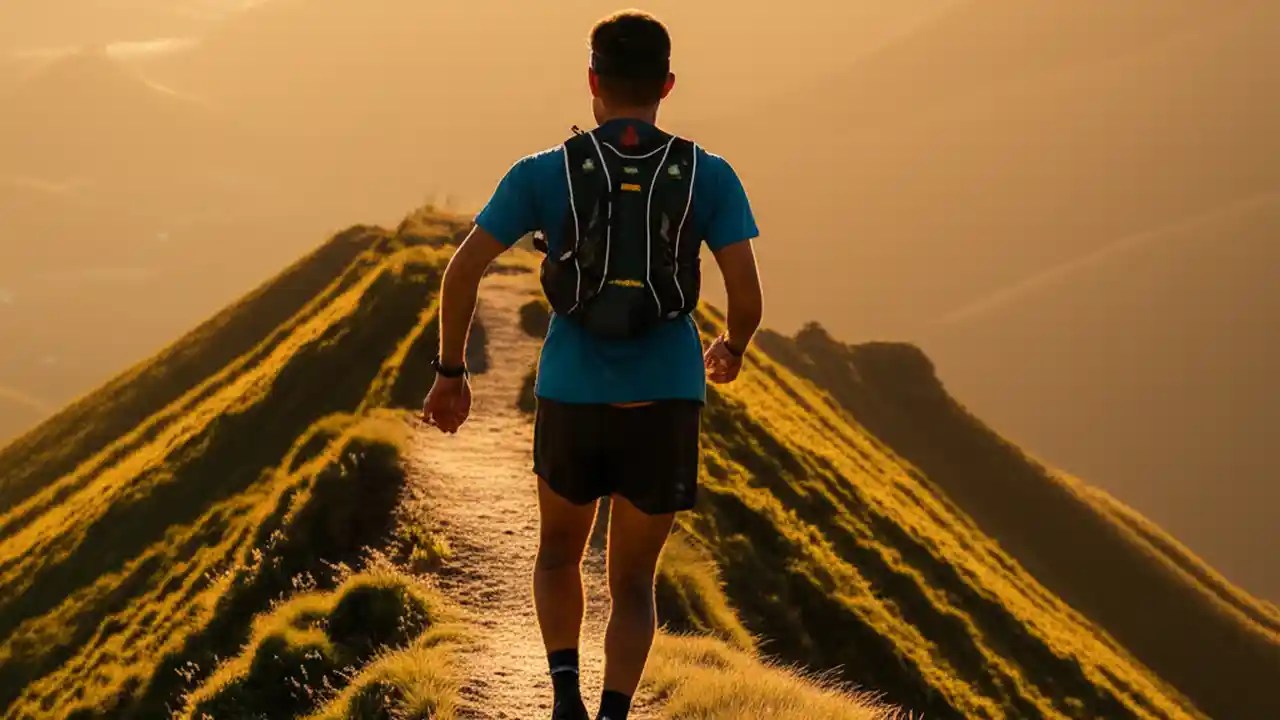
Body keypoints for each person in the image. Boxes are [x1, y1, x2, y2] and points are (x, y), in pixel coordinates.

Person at [422, 10, 762, 720]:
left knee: (557, 557)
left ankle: (566, 698)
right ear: (667, 84)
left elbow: (462, 273)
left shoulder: (543, 173)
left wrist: (451, 373)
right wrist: (729, 348)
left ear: (592, 82)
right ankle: (614, 714)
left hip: (572, 393)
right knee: (634, 581)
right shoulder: (711, 176)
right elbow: (747, 297)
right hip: (667, 395)